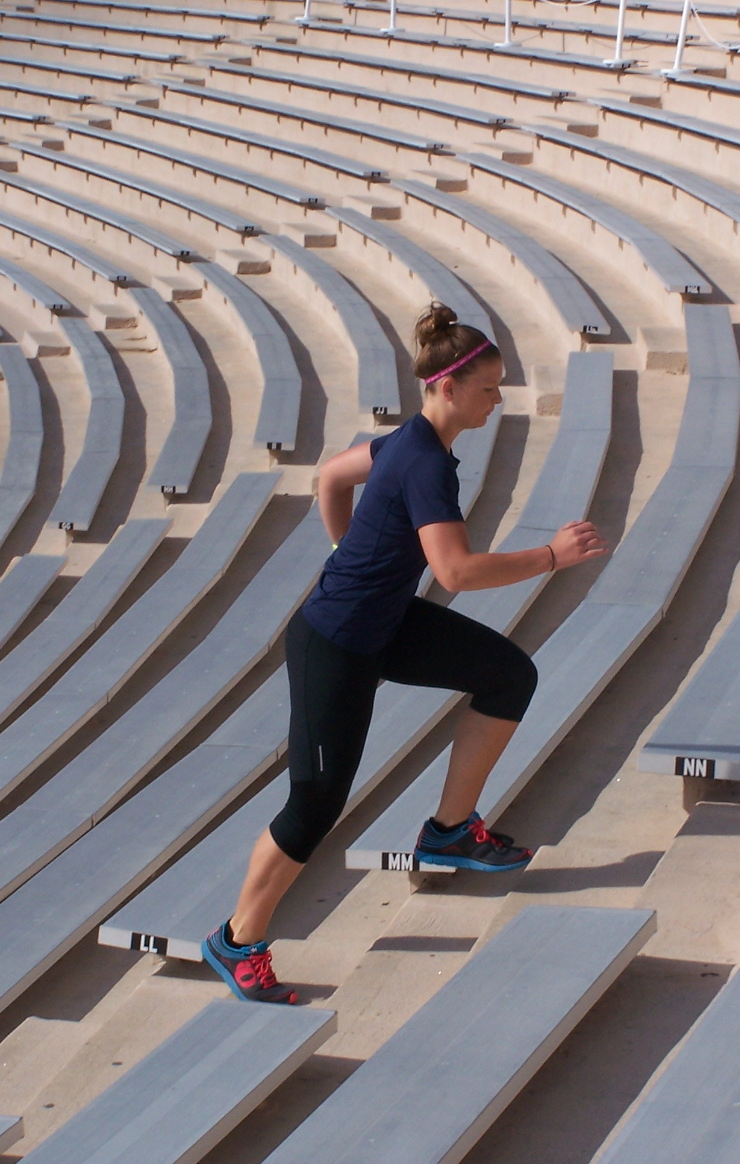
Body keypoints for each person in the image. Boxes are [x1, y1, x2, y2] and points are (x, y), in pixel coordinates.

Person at [203, 303, 608, 1004]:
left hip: (384, 621)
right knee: (315, 802)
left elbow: (330, 477)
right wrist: (550, 555)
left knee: (508, 675)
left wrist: (348, 551)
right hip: (335, 642)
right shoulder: (424, 464)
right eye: (489, 388)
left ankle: (449, 830)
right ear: (448, 388)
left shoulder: (404, 444)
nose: (498, 400)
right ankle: (238, 941)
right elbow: (455, 573)